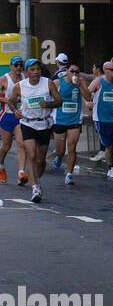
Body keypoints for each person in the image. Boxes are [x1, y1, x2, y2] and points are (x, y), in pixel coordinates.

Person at [8, 60, 60, 203]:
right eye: (32, 69)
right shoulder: (20, 86)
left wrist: (48, 104)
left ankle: (35, 179)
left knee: (41, 160)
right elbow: (11, 101)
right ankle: (35, 187)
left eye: (38, 69)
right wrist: (15, 111)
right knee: (31, 155)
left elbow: (59, 101)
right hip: (27, 123)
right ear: (26, 72)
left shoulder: (48, 83)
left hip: (44, 123)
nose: (36, 72)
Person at [87, 59, 113, 179]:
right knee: (108, 145)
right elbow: (87, 92)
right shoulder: (98, 81)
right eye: (112, 69)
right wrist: (88, 102)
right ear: (106, 71)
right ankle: (110, 167)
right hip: (101, 118)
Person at [51, 62, 91, 186]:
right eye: (72, 71)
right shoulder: (58, 83)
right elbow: (50, 98)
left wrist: (81, 86)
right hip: (60, 120)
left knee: (72, 147)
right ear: (67, 71)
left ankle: (69, 174)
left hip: (74, 120)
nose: (74, 74)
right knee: (61, 150)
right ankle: (58, 156)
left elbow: (88, 97)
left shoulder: (80, 82)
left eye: (77, 72)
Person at [1, 56, 28, 184]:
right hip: (7, 115)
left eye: (20, 65)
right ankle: (1, 165)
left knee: (21, 143)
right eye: (16, 65)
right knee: (6, 146)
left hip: (19, 115)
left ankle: (21, 173)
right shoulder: (4, 79)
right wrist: (9, 100)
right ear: (11, 66)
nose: (18, 67)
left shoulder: (25, 79)